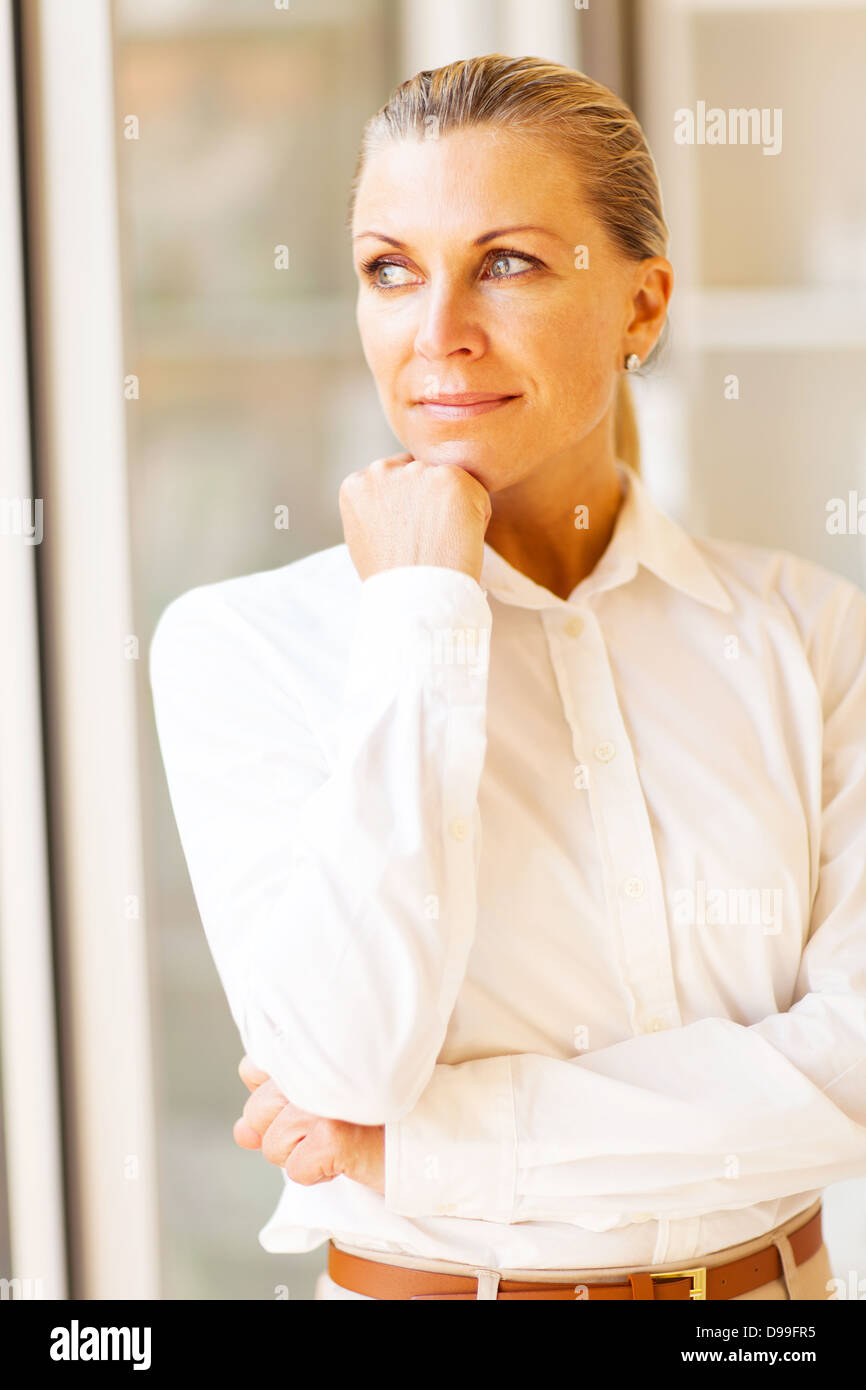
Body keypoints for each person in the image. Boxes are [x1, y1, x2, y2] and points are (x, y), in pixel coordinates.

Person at [149, 54, 866, 1301]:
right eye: (391, 270)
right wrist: (421, 615)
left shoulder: (809, 634)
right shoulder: (241, 646)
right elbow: (347, 1065)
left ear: (641, 308)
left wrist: (421, 1153)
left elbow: (853, 1070)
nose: (436, 336)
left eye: (508, 262)